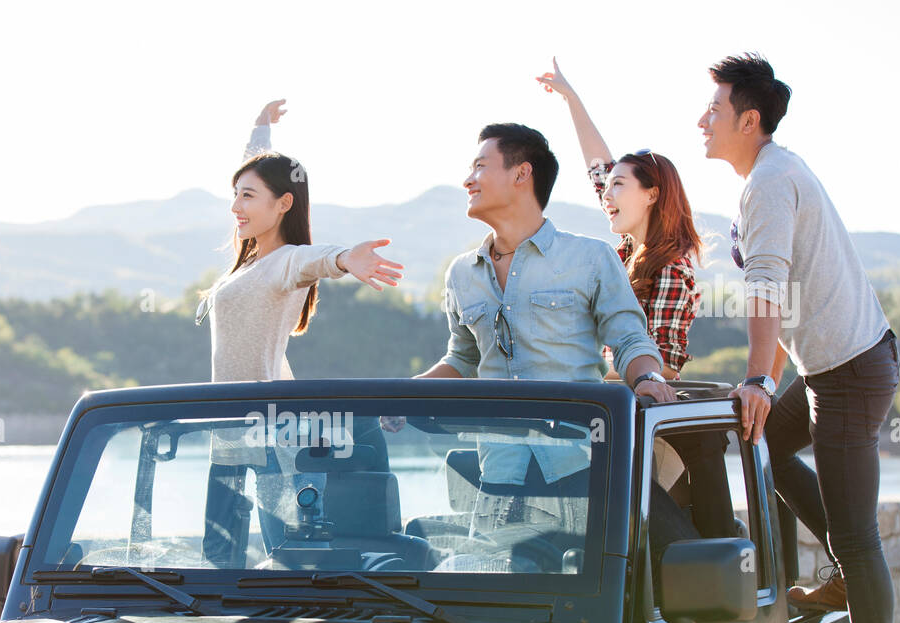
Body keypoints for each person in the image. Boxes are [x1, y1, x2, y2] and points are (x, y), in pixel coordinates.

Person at [700, 53, 900, 623]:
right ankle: (847, 577)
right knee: (761, 445)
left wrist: (758, 380)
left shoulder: (770, 181)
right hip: (836, 366)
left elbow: (770, 290)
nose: (702, 120)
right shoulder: (772, 175)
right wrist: (772, 376)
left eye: (714, 109)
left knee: (857, 535)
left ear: (748, 119)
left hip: (848, 375)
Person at [401, 123, 691, 568]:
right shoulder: (462, 273)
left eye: (481, 166)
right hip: (498, 477)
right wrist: (403, 396)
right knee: (487, 588)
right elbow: (462, 359)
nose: (468, 180)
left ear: (522, 175)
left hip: (580, 475)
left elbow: (630, 338)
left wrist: (648, 378)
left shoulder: (590, 258)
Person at [197, 99, 403, 568]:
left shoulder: (284, 261)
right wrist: (260, 132)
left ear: (283, 203)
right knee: (218, 559)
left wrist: (348, 258)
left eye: (247, 197)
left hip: (270, 435)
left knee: (290, 555)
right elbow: (258, 174)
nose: (235, 207)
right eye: (236, 194)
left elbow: (317, 258)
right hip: (229, 435)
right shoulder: (250, 260)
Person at [536, 59, 735, 540]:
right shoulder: (628, 251)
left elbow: (662, 366)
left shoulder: (671, 267)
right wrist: (571, 99)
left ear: (651, 195)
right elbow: (597, 165)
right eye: (607, 188)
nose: (606, 193)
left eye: (619, 186)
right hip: (614, 409)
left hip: (645, 422)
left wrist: (581, 377)